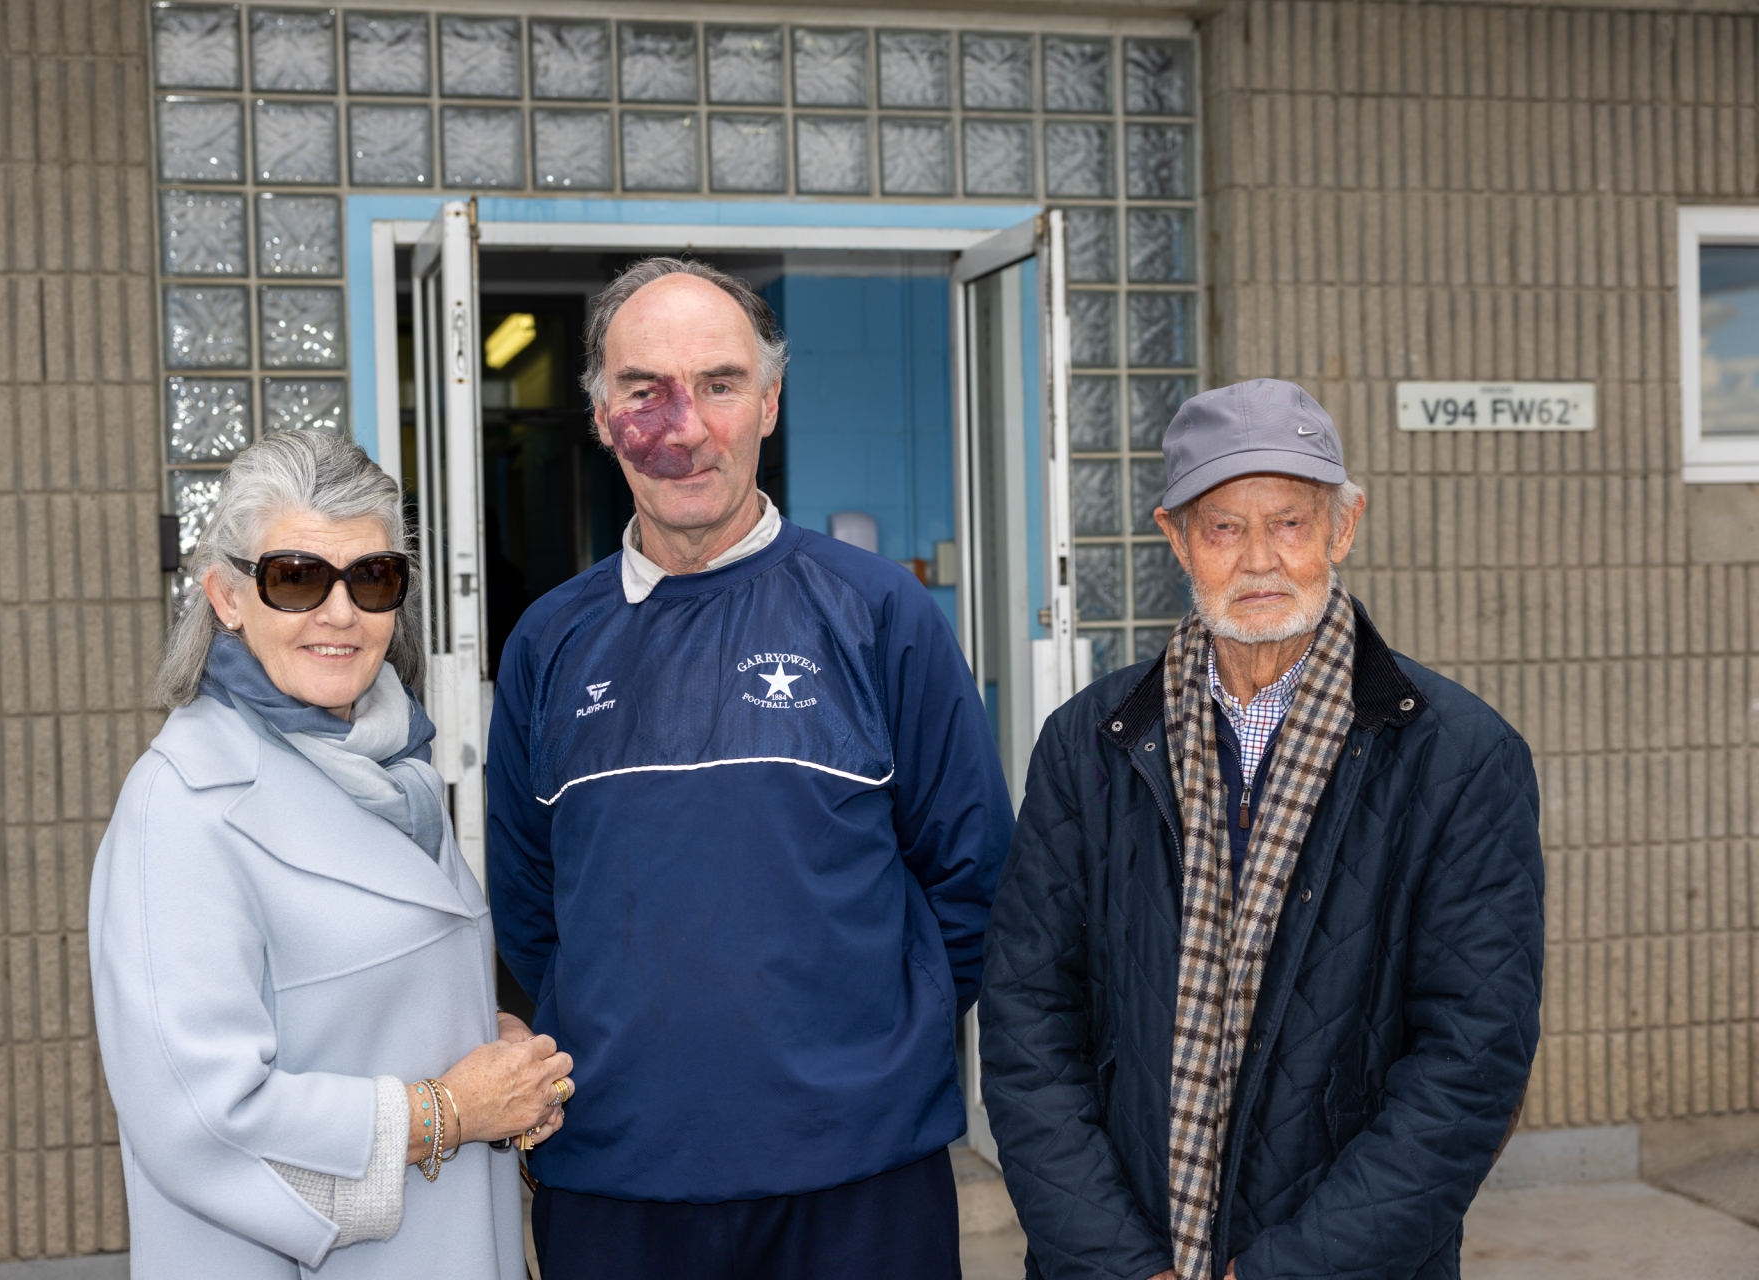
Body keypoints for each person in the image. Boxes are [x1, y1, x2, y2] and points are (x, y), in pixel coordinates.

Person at [486, 257, 1014, 1280]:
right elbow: (529, 905)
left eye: (720, 383)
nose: (682, 426)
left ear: (769, 402)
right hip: (616, 1180)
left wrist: (870, 1051)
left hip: (860, 1181)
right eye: (644, 390)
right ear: (600, 418)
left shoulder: (880, 615)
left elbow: (975, 872)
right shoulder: (548, 644)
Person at [981, 379, 1545, 1280]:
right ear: (1176, 539)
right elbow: (1027, 1021)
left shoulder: (1460, 756)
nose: (1259, 561)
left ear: (1342, 529)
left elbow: (1471, 1061)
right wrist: (1119, 1264)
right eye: (1223, 528)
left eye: (1288, 522)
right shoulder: (1089, 742)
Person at [90, 432, 574, 1277]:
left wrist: (480, 1039)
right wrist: (449, 1112)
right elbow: (202, 1121)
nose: (339, 613)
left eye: (373, 577)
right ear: (228, 598)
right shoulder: (180, 809)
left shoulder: (394, 768)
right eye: (296, 577)